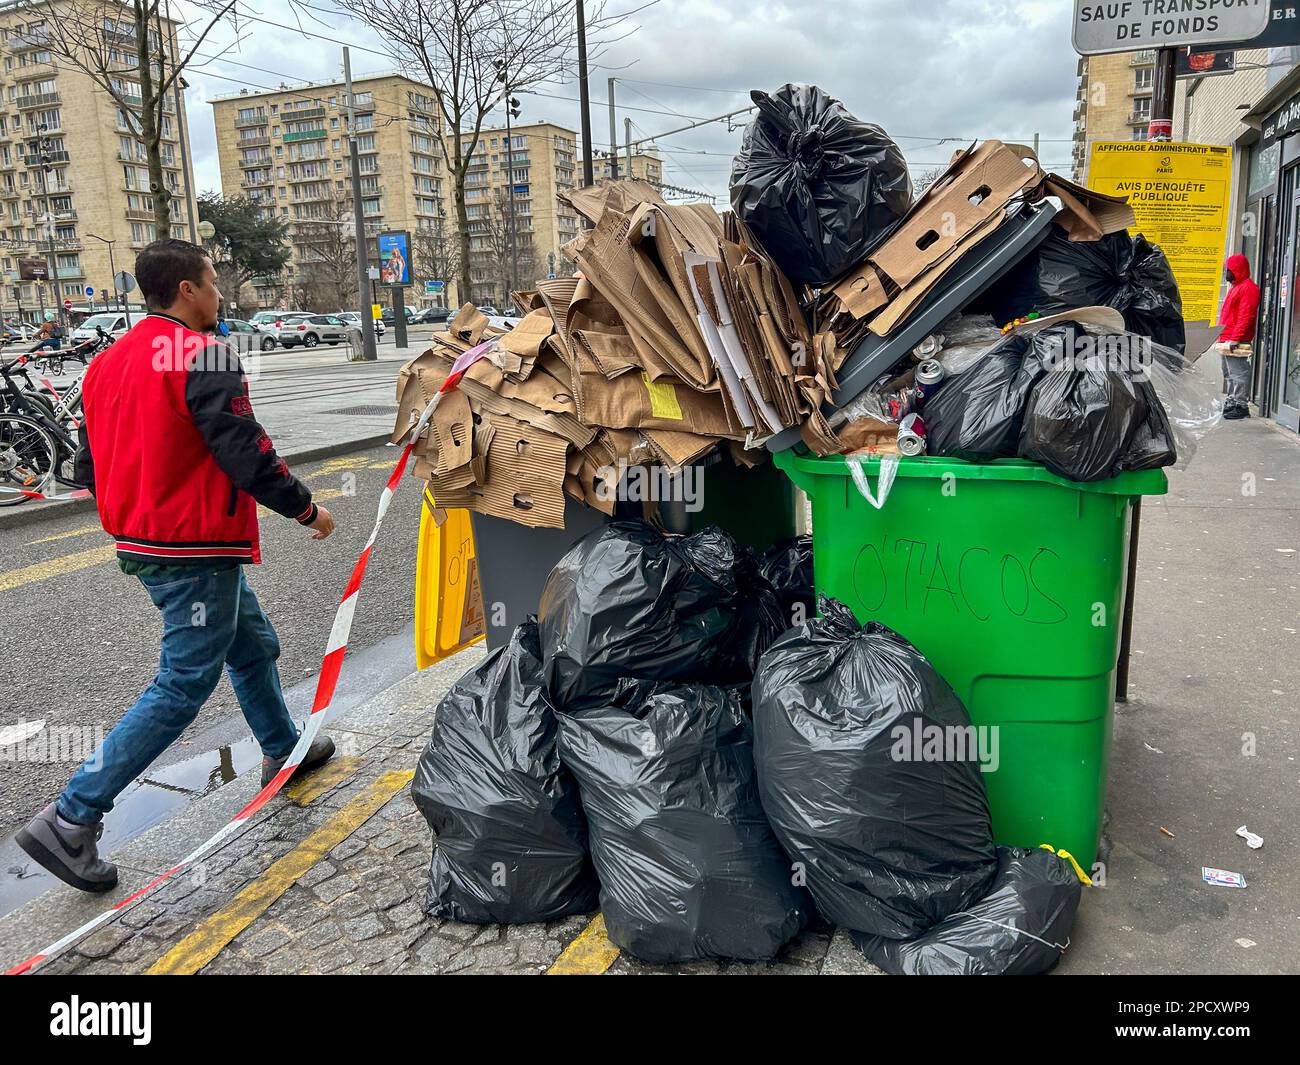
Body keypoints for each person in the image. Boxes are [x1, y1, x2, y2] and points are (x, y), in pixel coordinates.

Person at [17, 239, 337, 894]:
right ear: (188, 290)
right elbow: (245, 452)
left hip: (144, 540)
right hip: (192, 543)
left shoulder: (106, 362)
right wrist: (306, 510)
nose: (220, 294)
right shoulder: (204, 352)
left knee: (252, 645)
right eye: (214, 281)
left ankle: (284, 746)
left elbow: (86, 466)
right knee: (185, 679)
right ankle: (72, 815)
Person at [1214, 253, 1260, 421]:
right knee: (1229, 372)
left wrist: (1236, 337)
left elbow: (1246, 316)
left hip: (1235, 338)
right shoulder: (1237, 287)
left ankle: (1240, 404)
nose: (1226, 272)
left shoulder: (1248, 288)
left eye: (1229, 269)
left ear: (1237, 270)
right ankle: (1233, 400)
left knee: (1238, 372)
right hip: (1228, 338)